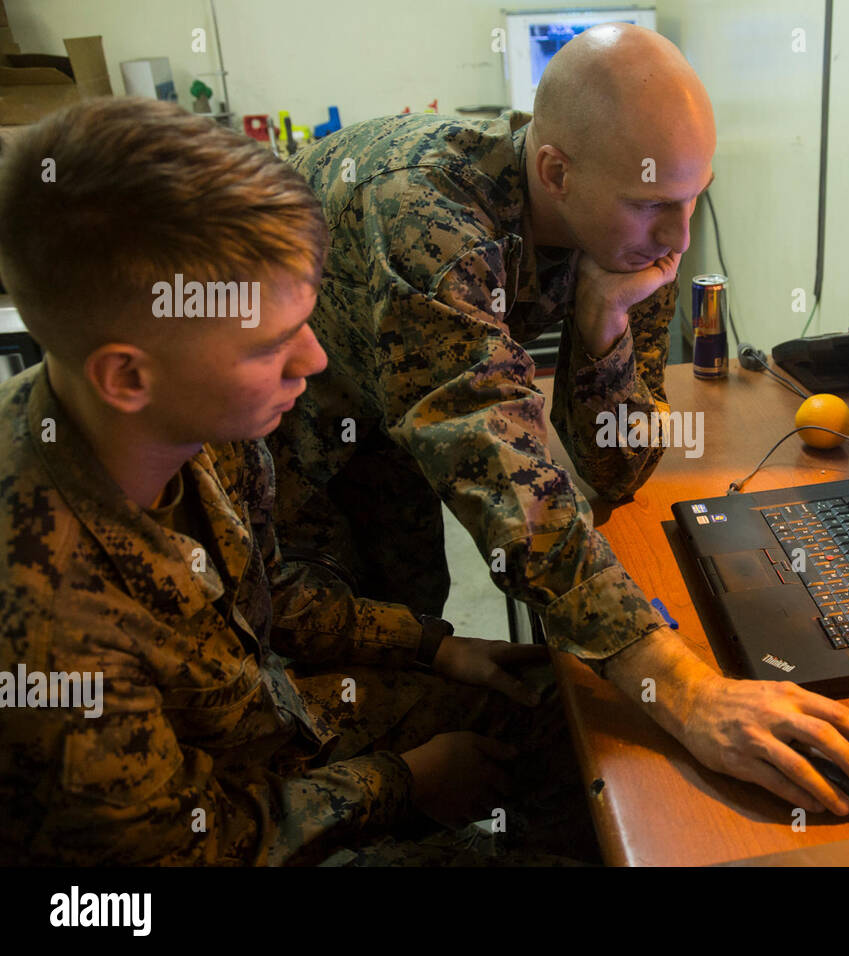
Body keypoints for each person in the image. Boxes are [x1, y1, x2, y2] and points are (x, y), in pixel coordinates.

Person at [268, 21, 849, 815]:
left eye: (695, 198)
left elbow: (611, 471)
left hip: (391, 417)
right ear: (555, 171)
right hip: (286, 422)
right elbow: (502, 478)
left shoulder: (629, 222)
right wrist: (684, 690)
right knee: (302, 656)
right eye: (655, 206)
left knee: (413, 614)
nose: (680, 236)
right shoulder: (429, 219)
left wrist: (600, 322)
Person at [0, 96, 592, 866]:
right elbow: (177, 852)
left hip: (270, 728)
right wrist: (398, 783)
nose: (313, 362)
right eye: (271, 344)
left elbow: (265, 590)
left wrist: (434, 648)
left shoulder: (199, 422)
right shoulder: (47, 629)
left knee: (573, 714)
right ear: (127, 376)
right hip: (202, 839)